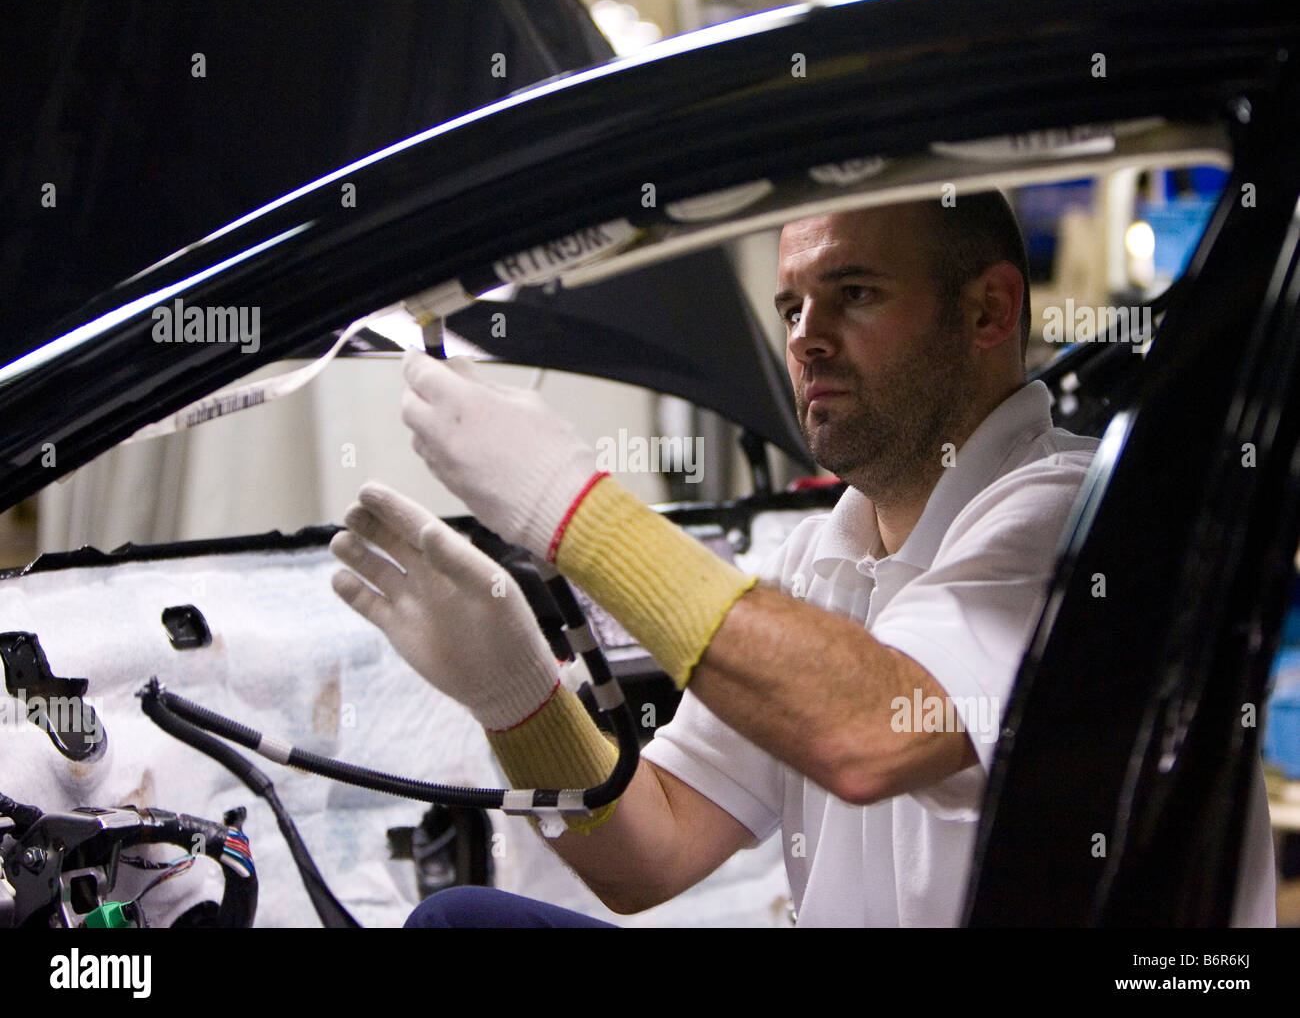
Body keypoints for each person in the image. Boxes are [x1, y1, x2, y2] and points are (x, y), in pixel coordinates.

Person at [329, 192, 1277, 927]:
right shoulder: (816, 560)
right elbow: (648, 856)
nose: (806, 338)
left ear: (990, 311)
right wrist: (518, 695)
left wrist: (574, 509)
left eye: (854, 293)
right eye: (791, 305)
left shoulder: (1074, 518)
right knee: (464, 921)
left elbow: (873, 734)